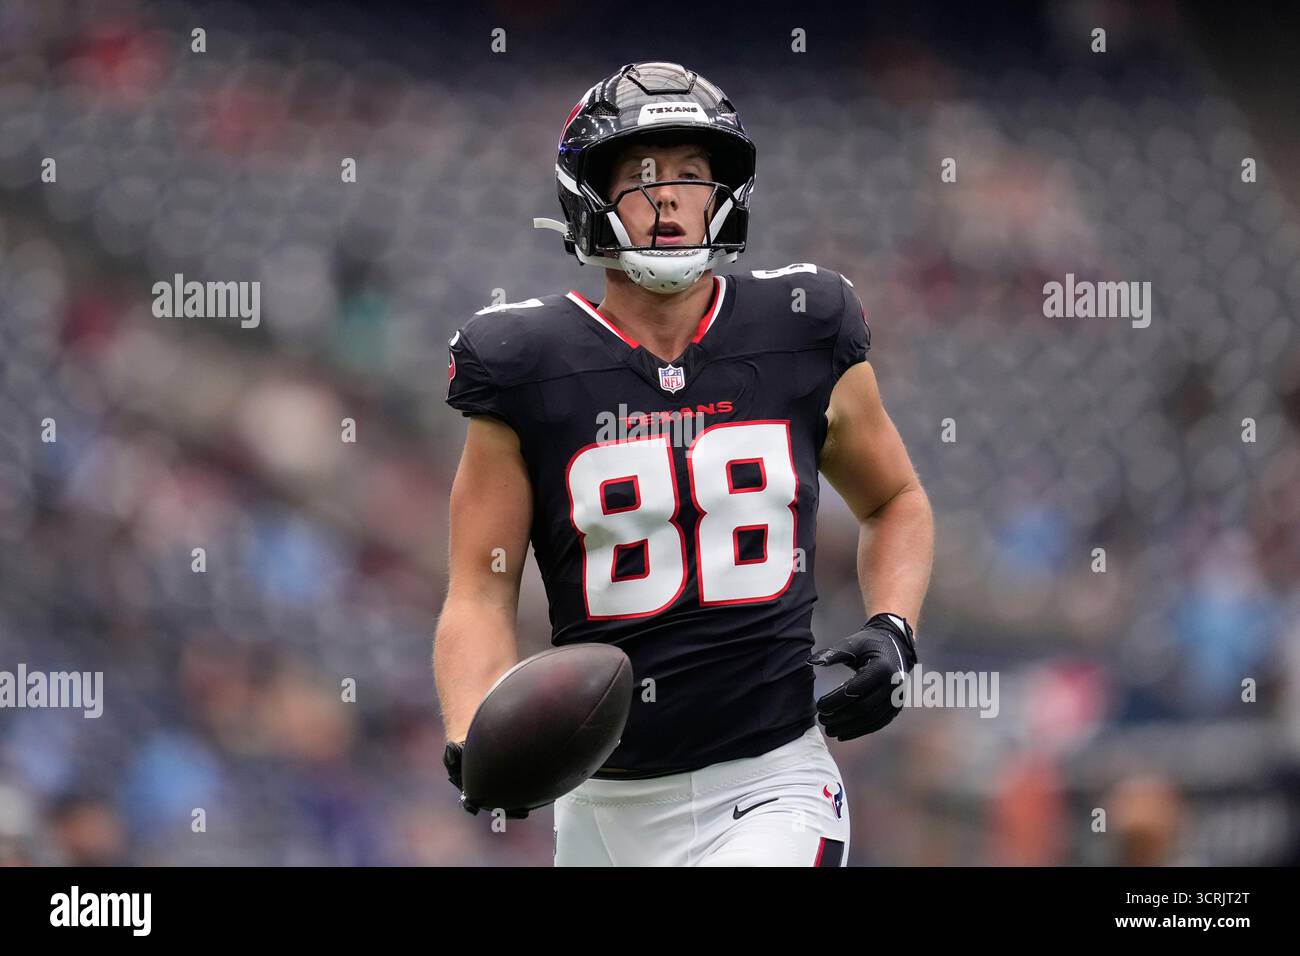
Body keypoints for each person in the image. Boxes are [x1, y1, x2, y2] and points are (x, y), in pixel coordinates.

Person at [435, 62, 933, 866]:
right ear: (589, 194)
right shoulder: (523, 361)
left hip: (771, 782)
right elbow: (481, 586)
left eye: (691, 174)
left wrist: (893, 627)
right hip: (600, 805)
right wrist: (472, 730)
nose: (667, 196)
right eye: (640, 175)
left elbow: (895, 500)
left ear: (723, 189)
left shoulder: (804, 324)